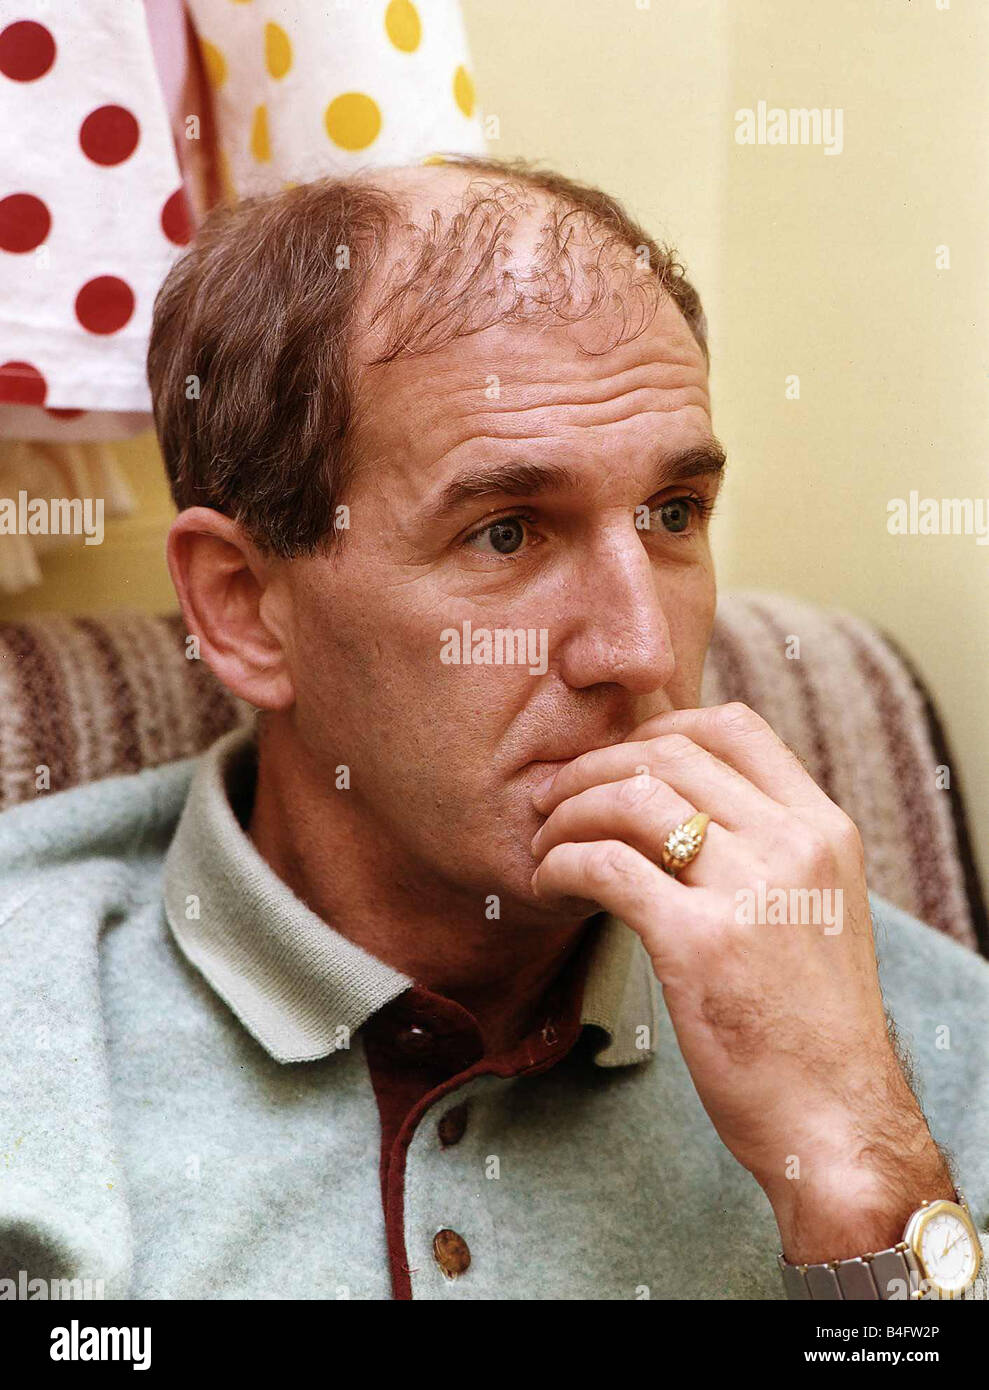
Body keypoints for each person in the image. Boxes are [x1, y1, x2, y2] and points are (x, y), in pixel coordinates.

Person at [2, 156, 987, 1301]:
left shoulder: (896, 1035)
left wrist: (858, 1173)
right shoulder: (37, 1017)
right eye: (507, 533)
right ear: (240, 605)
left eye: (673, 515)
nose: (640, 651)